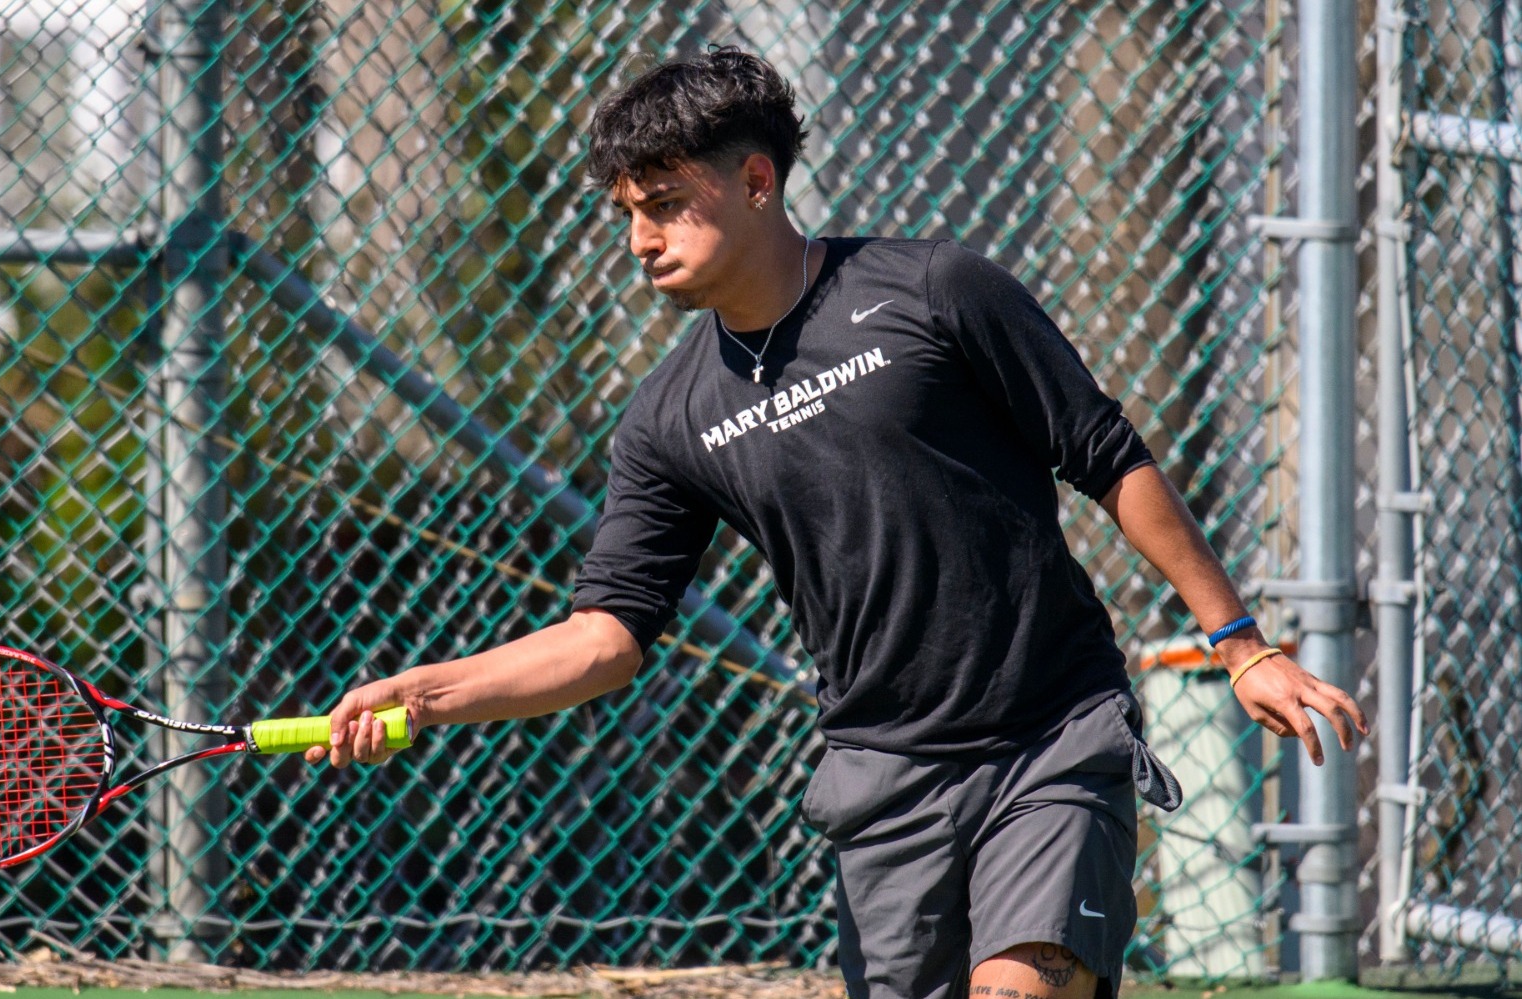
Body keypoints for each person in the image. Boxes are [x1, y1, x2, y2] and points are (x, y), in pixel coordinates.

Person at [303, 46, 1367, 999]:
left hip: (1051, 737)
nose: (639, 239)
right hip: (883, 784)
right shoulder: (668, 418)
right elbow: (605, 637)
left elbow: (1108, 456)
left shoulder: (936, 290)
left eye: (664, 203)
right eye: (627, 212)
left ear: (756, 181)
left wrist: (1241, 645)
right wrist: (425, 694)